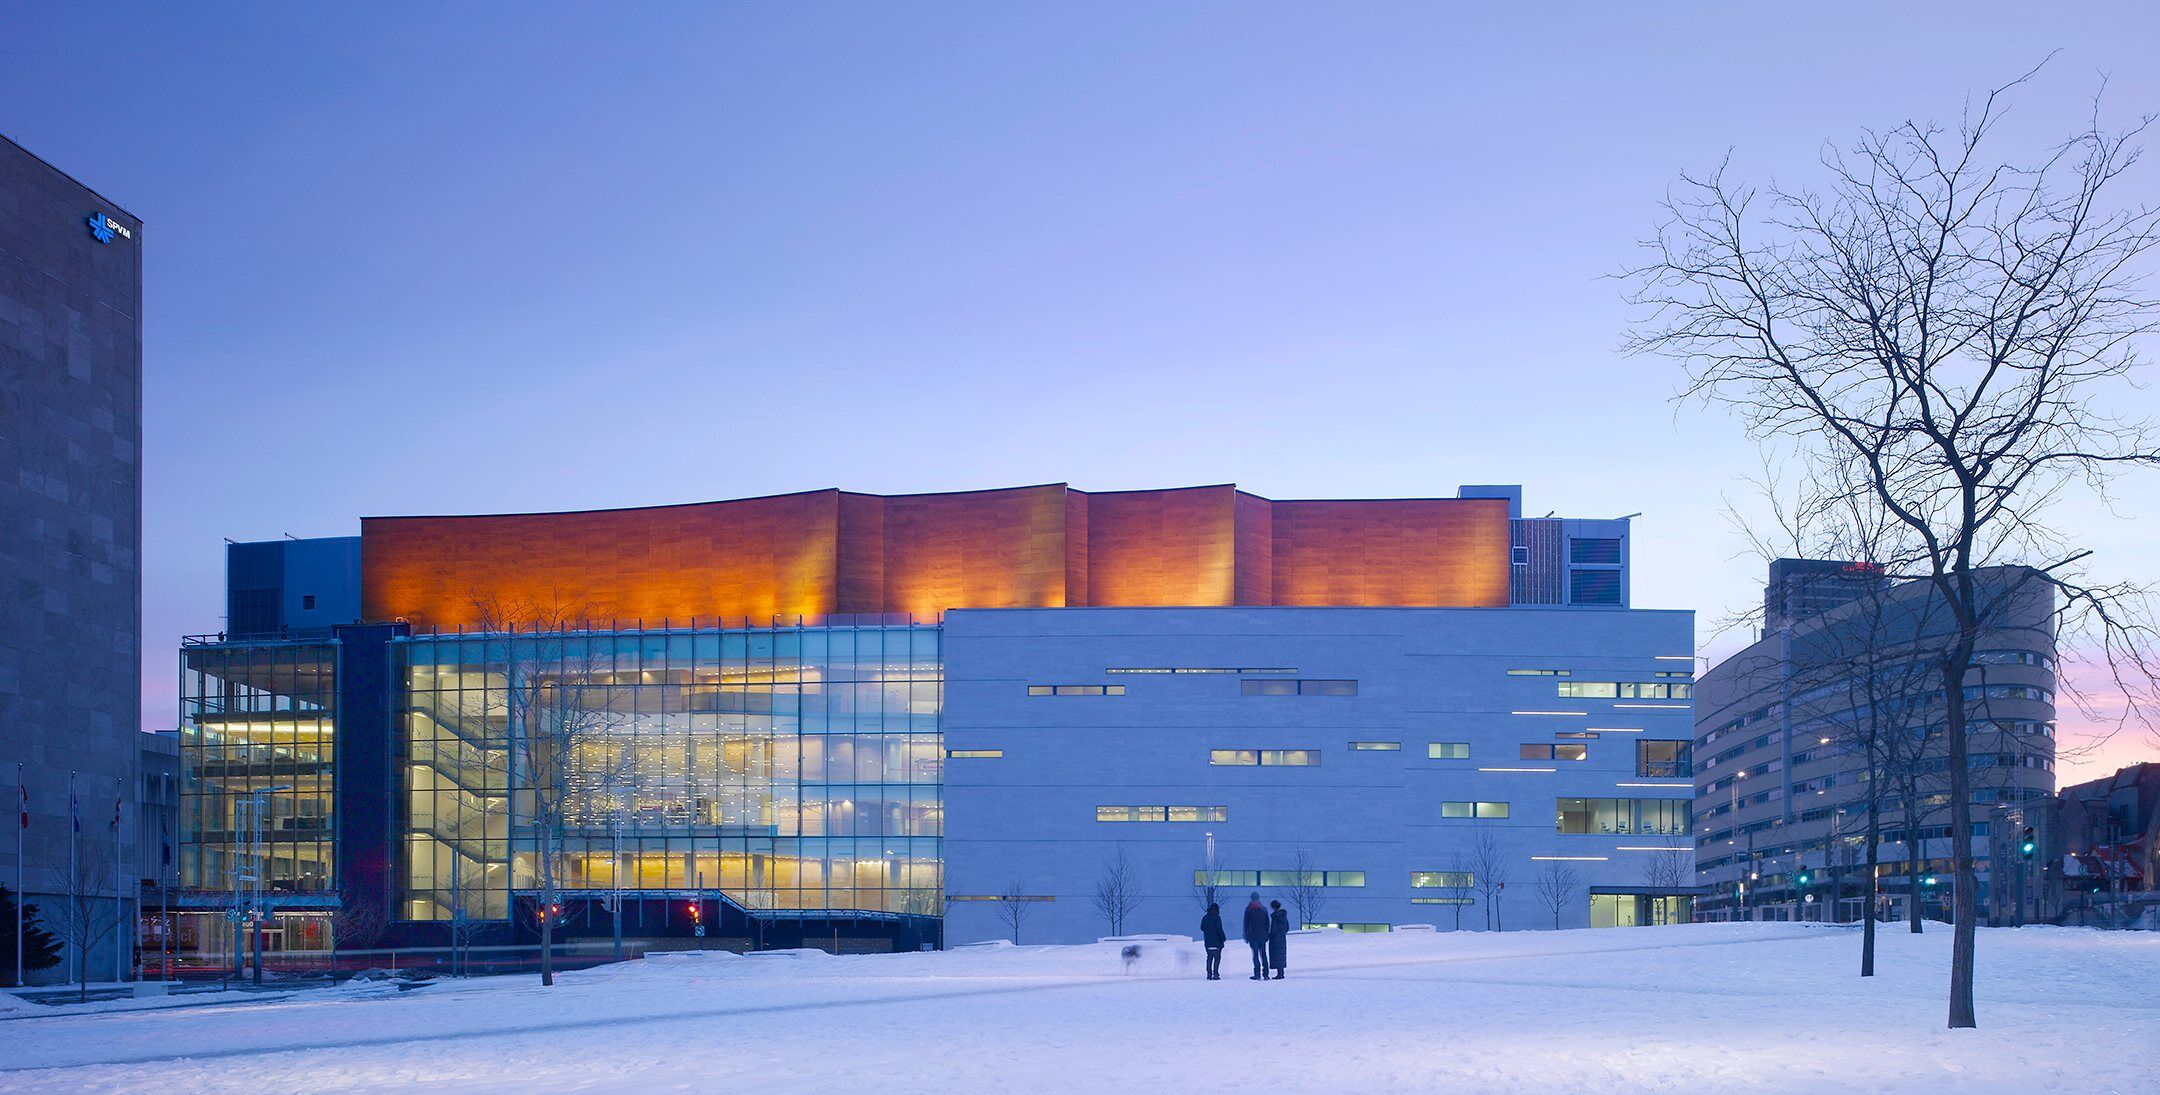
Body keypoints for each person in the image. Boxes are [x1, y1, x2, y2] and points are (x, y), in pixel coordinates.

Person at [1241, 892, 1269, 980]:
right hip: (1262, 935)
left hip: (1253, 936)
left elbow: (1246, 924)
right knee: (1263, 954)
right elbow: (1267, 923)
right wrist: (1266, 934)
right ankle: (1266, 974)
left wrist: (1246, 935)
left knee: (1255, 955)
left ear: (1251, 898)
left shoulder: (1248, 909)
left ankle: (1257, 974)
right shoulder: (1264, 909)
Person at [1199, 902, 1226, 980]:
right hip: (1217, 942)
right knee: (1217, 958)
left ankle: (1209, 974)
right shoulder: (1217, 918)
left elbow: (1202, 928)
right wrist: (1223, 938)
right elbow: (1219, 929)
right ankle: (1215, 974)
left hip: (1208, 942)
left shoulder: (1205, 917)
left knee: (1209, 958)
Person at [1267, 900, 1290, 979]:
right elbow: (1287, 927)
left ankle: (1279, 974)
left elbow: (1274, 929)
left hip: (1275, 939)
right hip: (1282, 938)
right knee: (1281, 955)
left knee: (1276, 955)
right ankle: (1281, 972)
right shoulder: (1283, 916)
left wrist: (1270, 936)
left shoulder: (1275, 917)